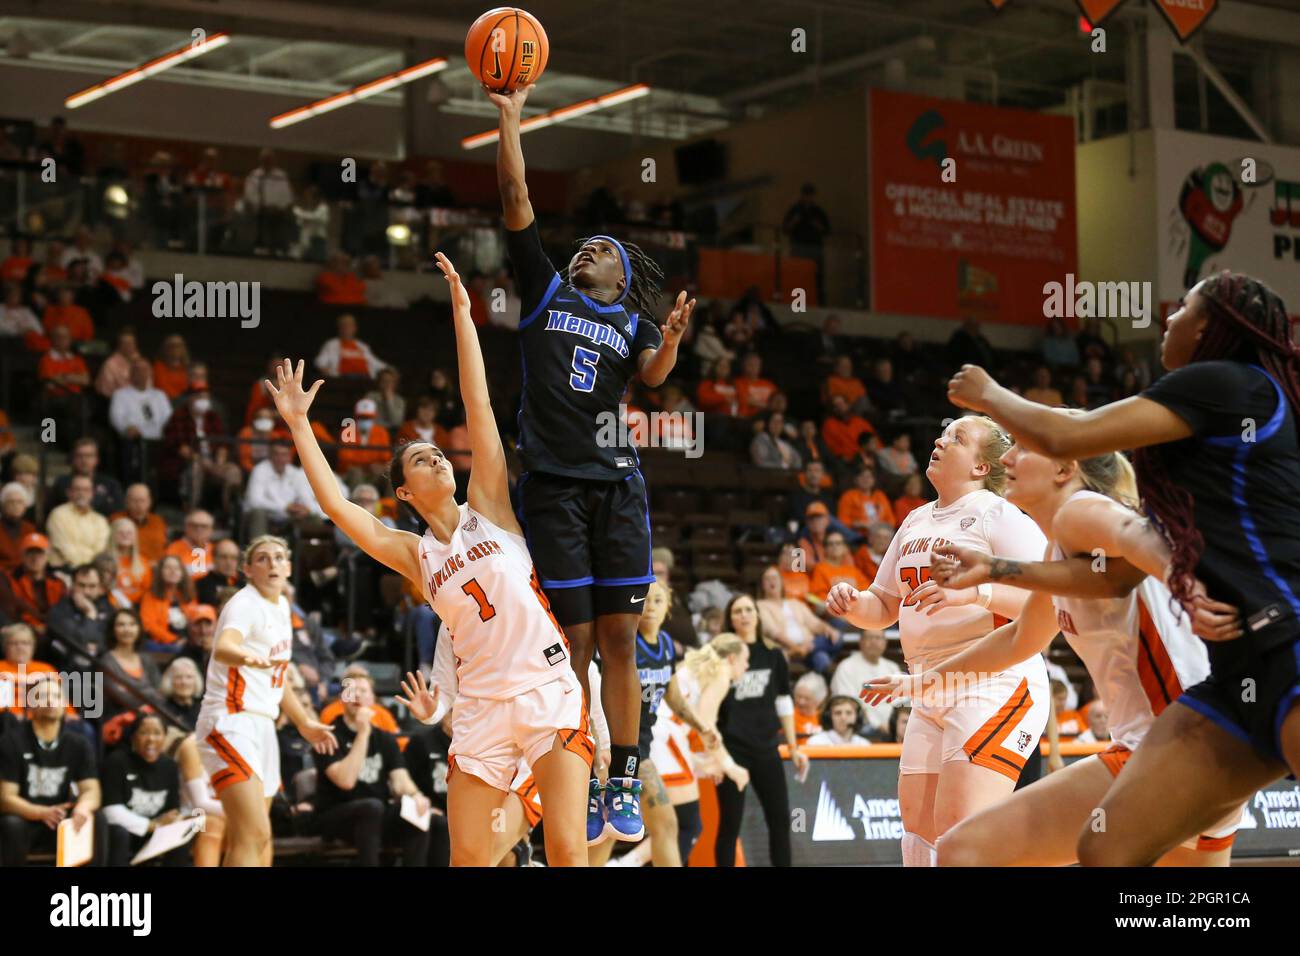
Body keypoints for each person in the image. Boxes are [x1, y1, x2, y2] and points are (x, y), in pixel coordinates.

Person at [942, 270, 1300, 866]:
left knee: (968, 853)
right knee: (1109, 847)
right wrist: (999, 568)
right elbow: (1113, 576)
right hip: (1235, 679)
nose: (1169, 318)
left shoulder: (1232, 384)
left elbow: (1069, 433)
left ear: (1211, 326)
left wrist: (987, 394)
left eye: (1184, 308)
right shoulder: (1213, 421)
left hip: (1286, 641)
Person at [273, 250, 595, 866]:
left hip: (546, 688)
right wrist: (298, 426)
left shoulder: (491, 507)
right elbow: (340, 510)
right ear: (402, 493)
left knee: (564, 849)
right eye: (421, 460)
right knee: (468, 859)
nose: (438, 458)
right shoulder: (413, 554)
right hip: (479, 708)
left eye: (438, 454)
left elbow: (478, 405)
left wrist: (463, 313)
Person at [492, 82, 696, 844]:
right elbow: (515, 194)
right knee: (570, 645)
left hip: (618, 487)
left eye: (602, 250)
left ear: (623, 275)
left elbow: (652, 378)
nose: (588, 250)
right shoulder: (544, 293)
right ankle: (571, 760)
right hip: (554, 489)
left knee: (619, 639)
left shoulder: (635, 319)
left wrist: (671, 339)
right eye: (585, 246)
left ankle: (622, 778)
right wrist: (510, 117)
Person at [897, 438, 1241, 865]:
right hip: (1208, 748)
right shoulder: (1059, 550)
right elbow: (1020, 638)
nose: (1006, 459)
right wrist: (922, 681)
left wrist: (1186, 585)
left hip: (1174, 743)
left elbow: (1137, 535)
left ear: (1064, 470)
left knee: (963, 851)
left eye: (1022, 449)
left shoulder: (1083, 510)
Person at [825, 414, 1048, 867]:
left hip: (994, 680)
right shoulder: (913, 520)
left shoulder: (999, 515)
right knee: (918, 831)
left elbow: (1050, 597)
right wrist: (853, 604)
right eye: (942, 433)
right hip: (927, 684)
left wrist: (975, 591)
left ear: (982, 467)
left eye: (957, 438)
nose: (940, 441)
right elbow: (884, 607)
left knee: (959, 831)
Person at [195, 536, 337, 867]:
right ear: (247, 569)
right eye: (262, 558)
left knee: (260, 840)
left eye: (278, 557)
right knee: (252, 834)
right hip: (230, 720)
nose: (272, 564)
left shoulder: (282, 607)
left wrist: (304, 722)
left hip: (262, 726)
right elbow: (225, 647)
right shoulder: (244, 604)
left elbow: (280, 677)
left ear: (288, 567)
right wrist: (249, 658)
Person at [589, 582, 715, 865]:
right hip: (618, 739)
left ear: (668, 606)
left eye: (658, 600)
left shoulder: (667, 645)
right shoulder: (623, 640)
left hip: (642, 740)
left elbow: (672, 695)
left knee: (609, 831)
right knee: (666, 824)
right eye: (645, 600)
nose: (651, 606)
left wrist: (701, 725)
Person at [714, 594, 807, 867]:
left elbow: (784, 701)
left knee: (779, 820)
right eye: (737, 611)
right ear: (730, 619)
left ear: (757, 614)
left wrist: (793, 747)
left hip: (767, 748)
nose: (743, 615)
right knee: (730, 824)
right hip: (732, 750)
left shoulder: (773, 655)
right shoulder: (720, 656)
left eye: (748, 609)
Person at [312, 670, 431, 866]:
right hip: (334, 816)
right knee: (371, 807)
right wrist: (363, 734)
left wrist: (416, 795)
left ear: (372, 699)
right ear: (342, 698)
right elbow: (346, 781)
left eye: (363, 691)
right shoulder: (328, 736)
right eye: (352, 690)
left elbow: (400, 779)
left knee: (422, 815)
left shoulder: (384, 738)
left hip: (375, 816)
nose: (357, 695)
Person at [0, 673, 102, 866]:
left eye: (56, 696)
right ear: (30, 706)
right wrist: (40, 812)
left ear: (64, 705)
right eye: (43, 696)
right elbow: (5, 798)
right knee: (10, 824)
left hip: (60, 820)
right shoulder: (12, 741)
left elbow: (92, 790)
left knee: (96, 817)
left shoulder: (78, 743)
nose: (50, 701)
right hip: (26, 819)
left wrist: (83, 806)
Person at [102, 710, 189, 866]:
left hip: (155, 834)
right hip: (124, 832)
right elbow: (111, 811)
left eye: (157, 733)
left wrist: (173, 820)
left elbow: (172, 810)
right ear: (133, 737)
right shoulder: (117, 762)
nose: (151, 739)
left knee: (180, 832)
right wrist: (151, 825)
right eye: (144, 733)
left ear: (165, 737)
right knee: (118, 833)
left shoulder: (169, 766)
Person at [830, 630, 899, 740]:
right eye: (870, 637)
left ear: (885, 643)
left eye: (878, 638)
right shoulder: (846, 667)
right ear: (861, 641)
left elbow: (900, 701)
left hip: (893, 727)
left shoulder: (892, 667)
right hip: (862, 727)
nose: (874, 641)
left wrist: (894, 724)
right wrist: (877, 724)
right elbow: (848, 703)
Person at [99, 608, 162, 722]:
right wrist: (149, 694)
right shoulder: (106, 661)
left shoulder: (146, 659)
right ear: (113, 630)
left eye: (132, 624)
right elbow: (121, 697)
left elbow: (160, 692)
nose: (127, 629)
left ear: (139, 629)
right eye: (121, 625)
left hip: (152, 716)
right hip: (121, 718)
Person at [0, 534, 65, 636]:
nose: (35, 558)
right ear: (21, 555)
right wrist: (32, 627)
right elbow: (9, 612)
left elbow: (63, 613)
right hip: (20, 631)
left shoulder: (58, 583)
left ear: (47, 556)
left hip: (53, 633)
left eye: (40, 553)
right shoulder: (8, 580)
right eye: (30, 553)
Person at [46, 563, 110, 660]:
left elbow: (111, 644)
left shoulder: (109, 610)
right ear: (72, 586)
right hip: (67, 670)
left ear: (100, 588)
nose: (86, 591)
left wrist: (97, 647)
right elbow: (78, 645)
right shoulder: (59, 611)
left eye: (92, 586)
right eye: (81, 585)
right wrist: (90, 613)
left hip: (101, 669)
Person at [45, 474, 110, 569]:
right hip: (64, 570)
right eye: (77, 489)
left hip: (92, 572)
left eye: (86, 490)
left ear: (92, 494)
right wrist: (84, 565)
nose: (81, 493)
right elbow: (64, 548)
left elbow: (99, 551)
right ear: (69, 492)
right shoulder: (58, 515)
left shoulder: (100, 521)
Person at [781, 183, 830, 303]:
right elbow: (786, 228)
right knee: (798, 276)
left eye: (810, 195)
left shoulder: (818, 211)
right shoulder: (795, 210)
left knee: (816, 276)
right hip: (799, 247)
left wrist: (816, 223)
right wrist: (795, 220)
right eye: (806, 194)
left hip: (814, 247)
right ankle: (798, 303)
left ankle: (818, 302)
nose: (808, 197)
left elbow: (827, 230)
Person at [139, 555, 199, 649]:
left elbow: (195, 620)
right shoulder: (150, 596)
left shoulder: (189, 595)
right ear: (160, 572)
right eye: (168, 568)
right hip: (161, 644)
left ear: (182, 573)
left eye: (177, 568)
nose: (173, 571)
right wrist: (174, 639)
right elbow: (149, 625)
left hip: (187, 642)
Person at [314, 313, 389, 379]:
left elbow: (375, 362)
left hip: (365, 379)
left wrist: (390, 370)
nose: (347, 328)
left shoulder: (362, 346)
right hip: (343, 379)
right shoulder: (331, 344)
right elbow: (320, 362)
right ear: (339, 328)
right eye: (344, 325)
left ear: (355, 328)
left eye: (350, 325)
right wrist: (327, 371)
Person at [112, 484, 167, 565]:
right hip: (127, 568)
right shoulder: (116, 520)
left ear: (149, 502)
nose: (139, 505)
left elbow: (165, 548)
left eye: (142, 501)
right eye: (134, 501)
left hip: (156, 569)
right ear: (126, 502)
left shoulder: (158, 522)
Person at [0, 483, 36, 575]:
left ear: (25, 506)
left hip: (25, 577)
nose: (15, 505)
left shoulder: (30, 529)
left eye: (19, 502)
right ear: (3, 505)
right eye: (11, 502)